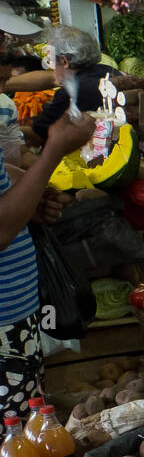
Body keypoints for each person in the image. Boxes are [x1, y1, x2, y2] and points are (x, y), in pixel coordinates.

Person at [0, 113, 93, 417]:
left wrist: (25, 192)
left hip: (14, 314)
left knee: (26, 424)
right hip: (4, 327)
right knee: (13, 440)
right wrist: (53, 151)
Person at [28, 26, 113, 146]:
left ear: (64, 61)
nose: (49, 67)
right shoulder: (109, 71)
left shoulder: (69, 92)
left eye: (49, 59)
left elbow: (38, 134)